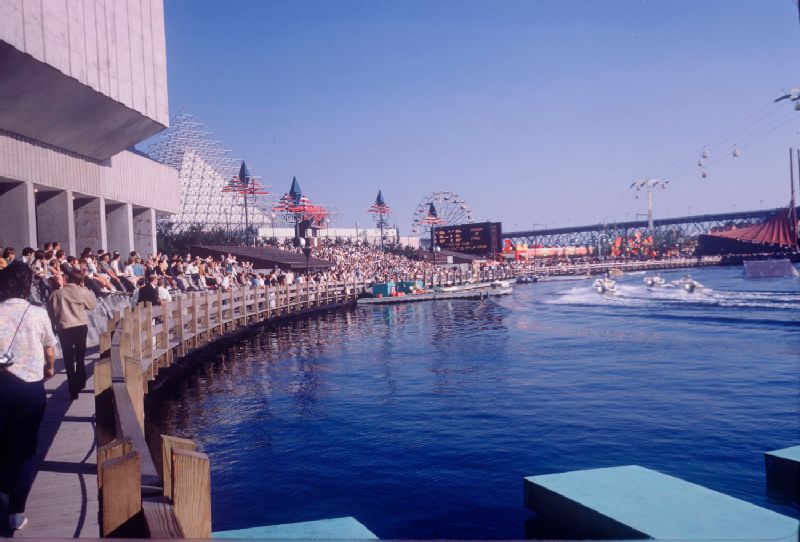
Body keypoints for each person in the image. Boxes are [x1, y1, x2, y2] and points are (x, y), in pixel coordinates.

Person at [0, 262, 57, 531]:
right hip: (29, 387)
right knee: (24, 449)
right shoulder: (37, 313)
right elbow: (49, 349)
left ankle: (2, 488)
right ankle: (16, 512)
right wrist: (49, 369)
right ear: (27, 286)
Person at [48, 272, 96, 400]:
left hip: (64, 328)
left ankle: (72, 390)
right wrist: (85, 289)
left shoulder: (56, 294)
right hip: (80, 325)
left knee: (68, 359)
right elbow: (92, 306)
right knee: (80, 356)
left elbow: (50, 312)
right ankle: (81, 381)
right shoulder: (81, 291)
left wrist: (53, 326)